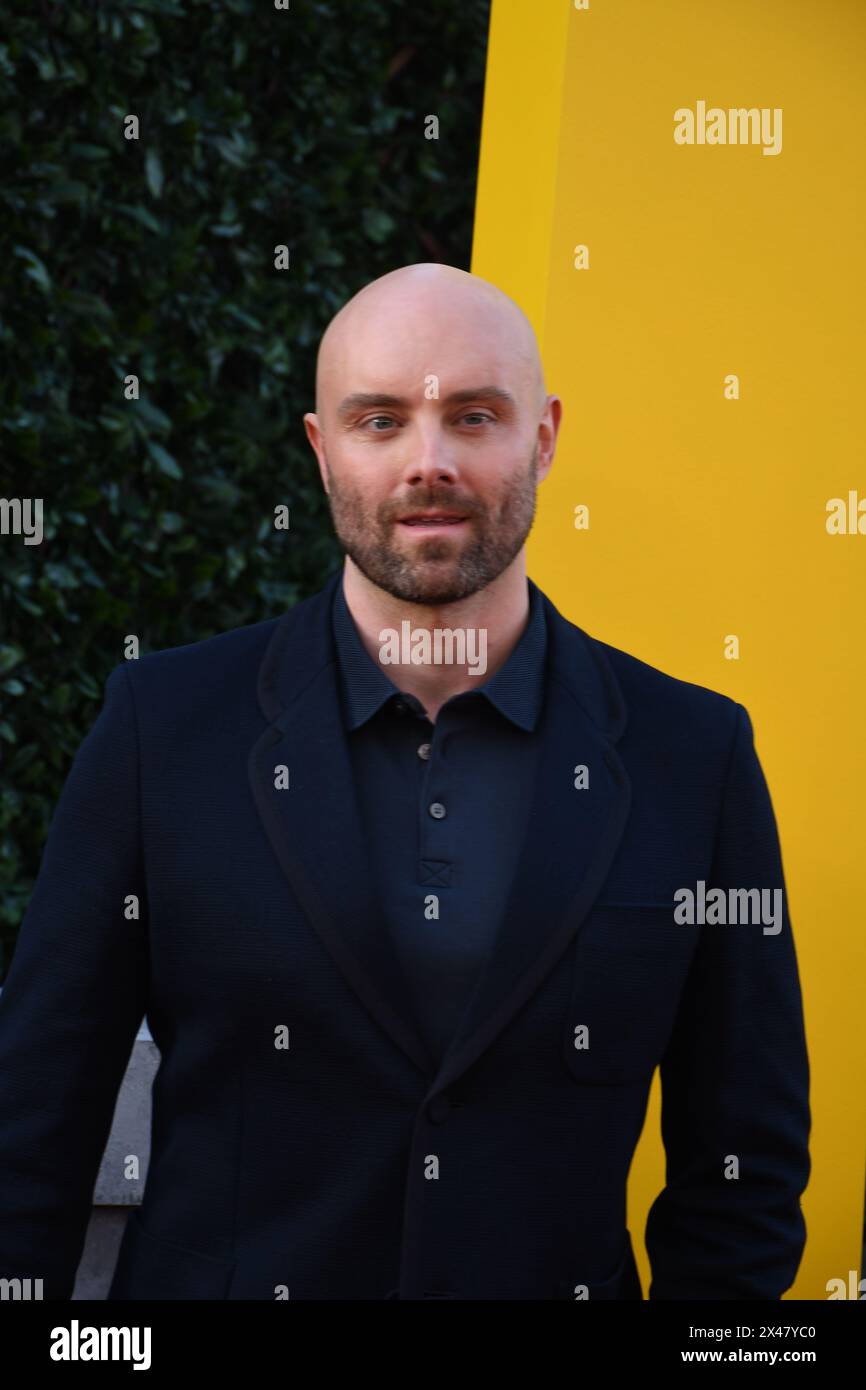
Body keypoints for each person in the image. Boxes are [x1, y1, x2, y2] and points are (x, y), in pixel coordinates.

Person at [0, 263, 810, 1300]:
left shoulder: (691, 755)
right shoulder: (163, 729)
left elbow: (741, 1165)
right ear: (319, 447)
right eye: (378, 421)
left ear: (544, 436)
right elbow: (34, 1122)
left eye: (473, 416)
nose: (428, 462)